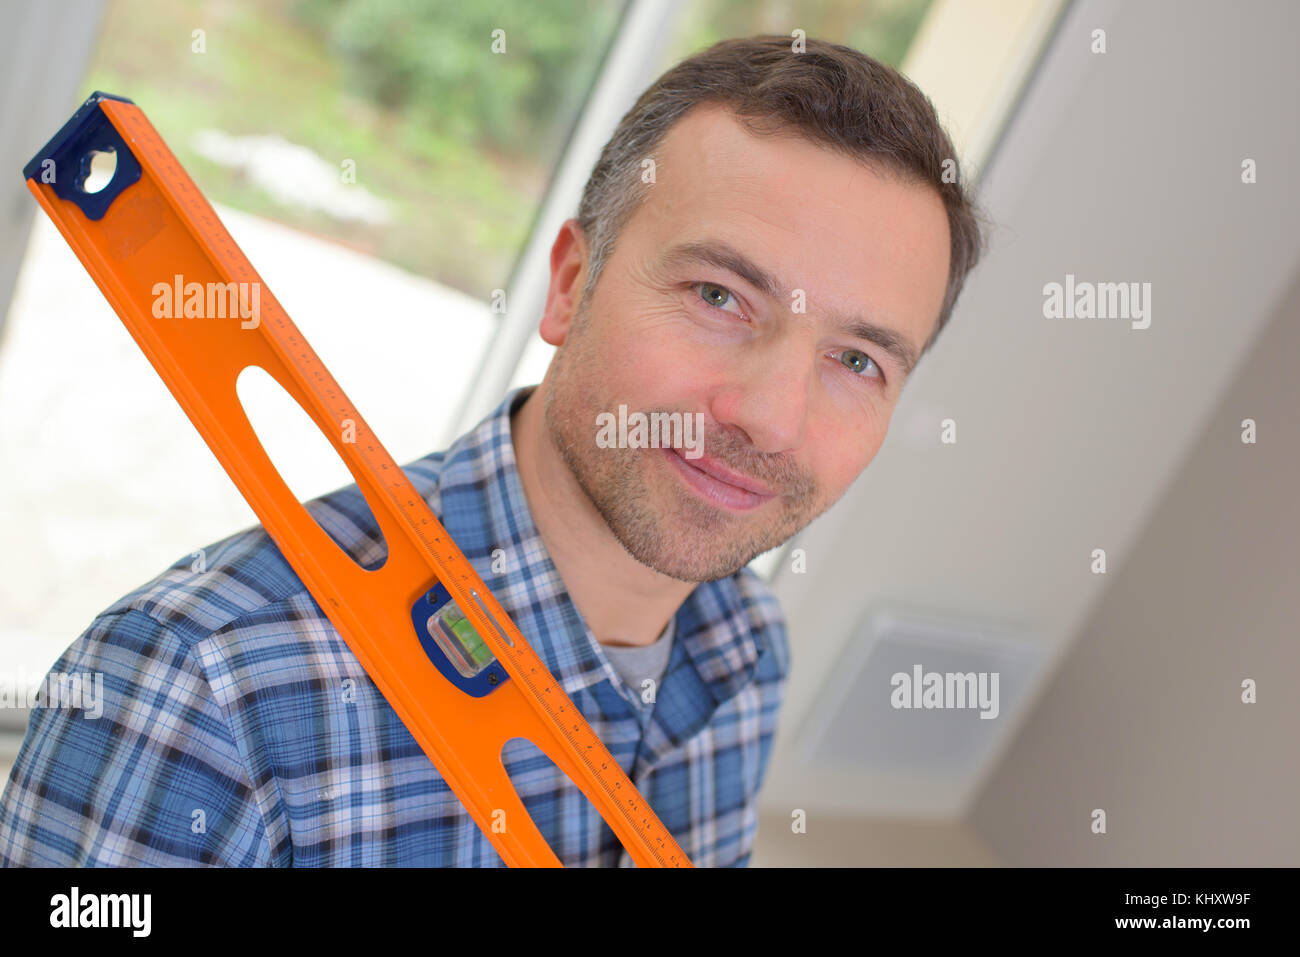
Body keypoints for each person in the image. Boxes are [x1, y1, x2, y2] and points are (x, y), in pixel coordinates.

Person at [0, 34, 983, 866]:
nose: (771, 416)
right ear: (566, 287)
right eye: (719, 298)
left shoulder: (743, 652)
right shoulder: (200, 689)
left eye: (857, 360)